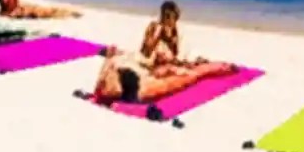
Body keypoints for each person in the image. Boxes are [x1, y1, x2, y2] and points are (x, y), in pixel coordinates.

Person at [92, 46, 236, 104]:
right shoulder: (111, 69)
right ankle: (217, 66)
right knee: (191, 75)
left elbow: (102, 90)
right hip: (139, 88)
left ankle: (211, 66)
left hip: (140, 78)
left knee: (176, 71)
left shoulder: (113, 64)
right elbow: (113, 91)